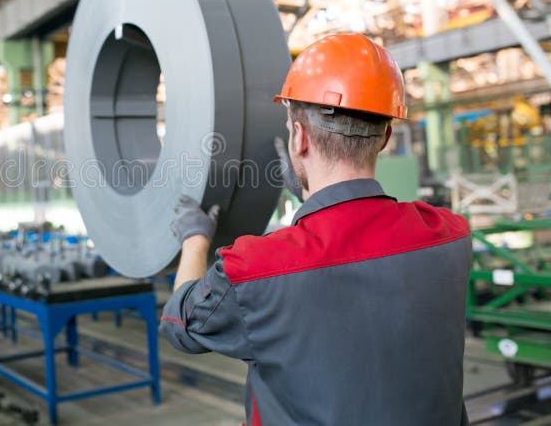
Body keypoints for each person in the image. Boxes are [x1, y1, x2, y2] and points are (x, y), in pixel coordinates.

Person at [160, 33, 472, 426]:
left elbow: (180, 324)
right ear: (385, 138)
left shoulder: (254, 269)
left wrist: (195, 237)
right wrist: (313, 197)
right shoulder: (450, 236)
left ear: (299, 137)